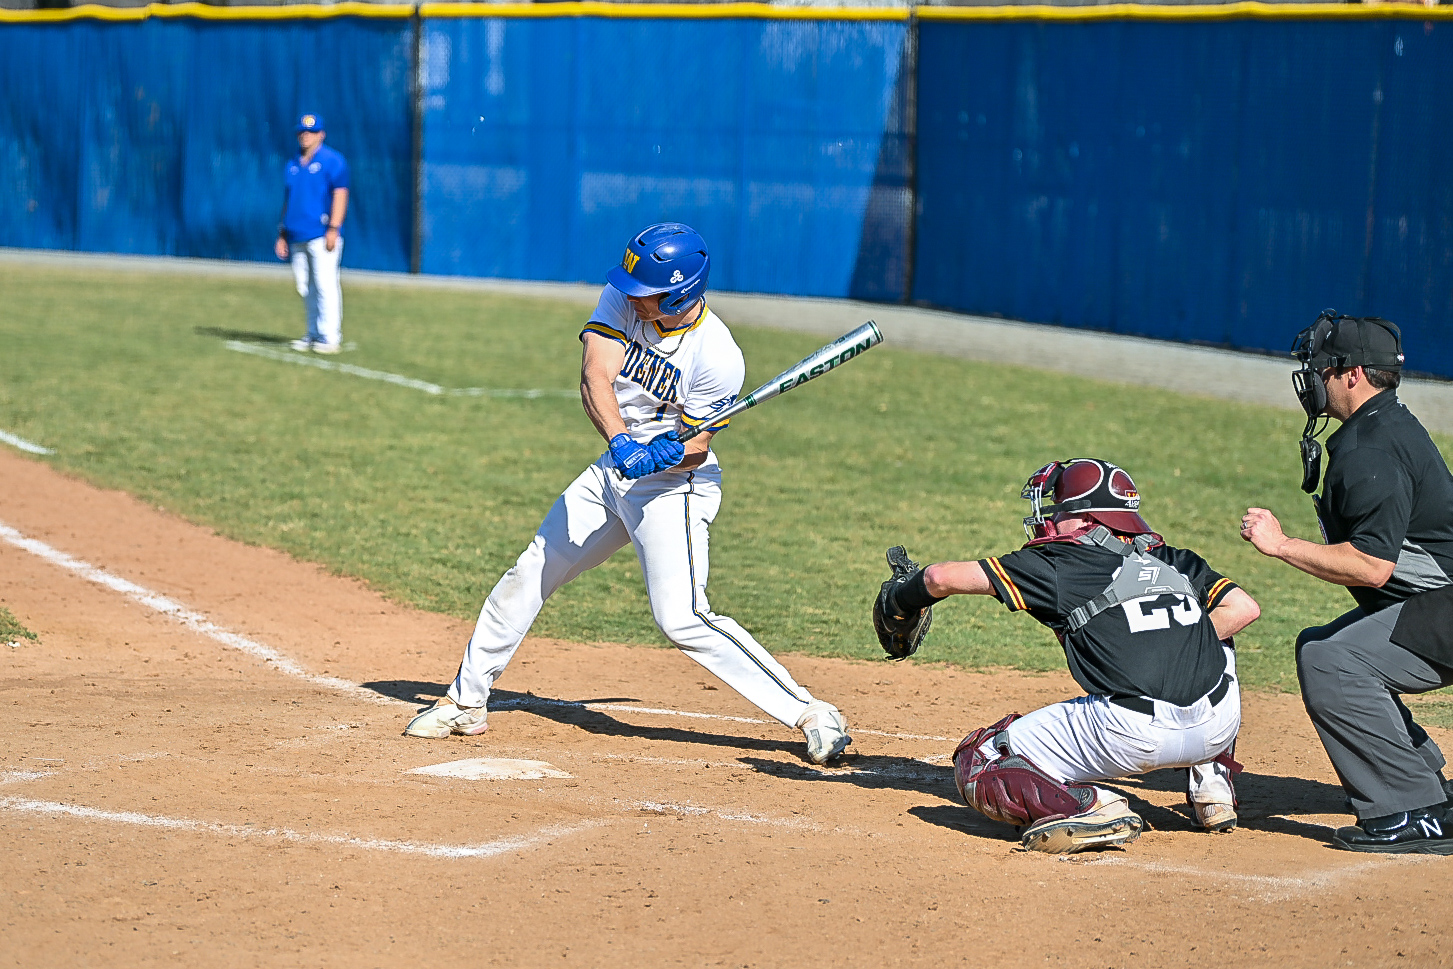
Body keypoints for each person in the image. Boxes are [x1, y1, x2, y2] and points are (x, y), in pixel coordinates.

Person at [404, 223, 852, 764]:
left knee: (682, 617)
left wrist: (667, 454)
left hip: (673, 488)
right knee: (533, 569)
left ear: (681, 293)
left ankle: (811, 712)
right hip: (613, 471)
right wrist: (621, 442)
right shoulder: (623, 297)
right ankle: (465, 701)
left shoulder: (718, 357)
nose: (633, 298)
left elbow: (697, 446)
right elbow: (595, 374)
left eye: (648, 293)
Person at [875, 458, 1260, 854]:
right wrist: (1177, 644)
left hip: (1130, 735)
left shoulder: (1057, 564)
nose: (1050, 518)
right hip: (1217, 727)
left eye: (1059, 509)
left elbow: (939, 577)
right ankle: (1212, 786)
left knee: (980, 758)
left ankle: (1090, 807)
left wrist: (899, 601)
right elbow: (1244, 608)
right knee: (1212, 632)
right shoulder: (1176, 559)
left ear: (1087, 518)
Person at [1241, 311, 1453, 854]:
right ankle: (1426, 784)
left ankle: (1416, 810)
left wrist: (1281, 545)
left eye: (1322, 368)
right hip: (1441, 602)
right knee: (1323, 644)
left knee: (1332, 661)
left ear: (1352, 374)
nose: (1313, 377)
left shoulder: (1372, 449)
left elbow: (1371, 566)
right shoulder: (1383, 426)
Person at [274, 113, 349, 354]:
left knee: (325, 284)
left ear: (321, 135)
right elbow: (289, 200)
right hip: (296, 233)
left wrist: (334, 228)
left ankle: (329, 336)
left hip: (321, 233)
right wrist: (282, 232)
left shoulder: (332, 160)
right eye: (302, 132)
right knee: (305, 286)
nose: (306, 136)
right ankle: (313, 332)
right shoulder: (293, 163)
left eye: (311, 131)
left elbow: (340, 194)